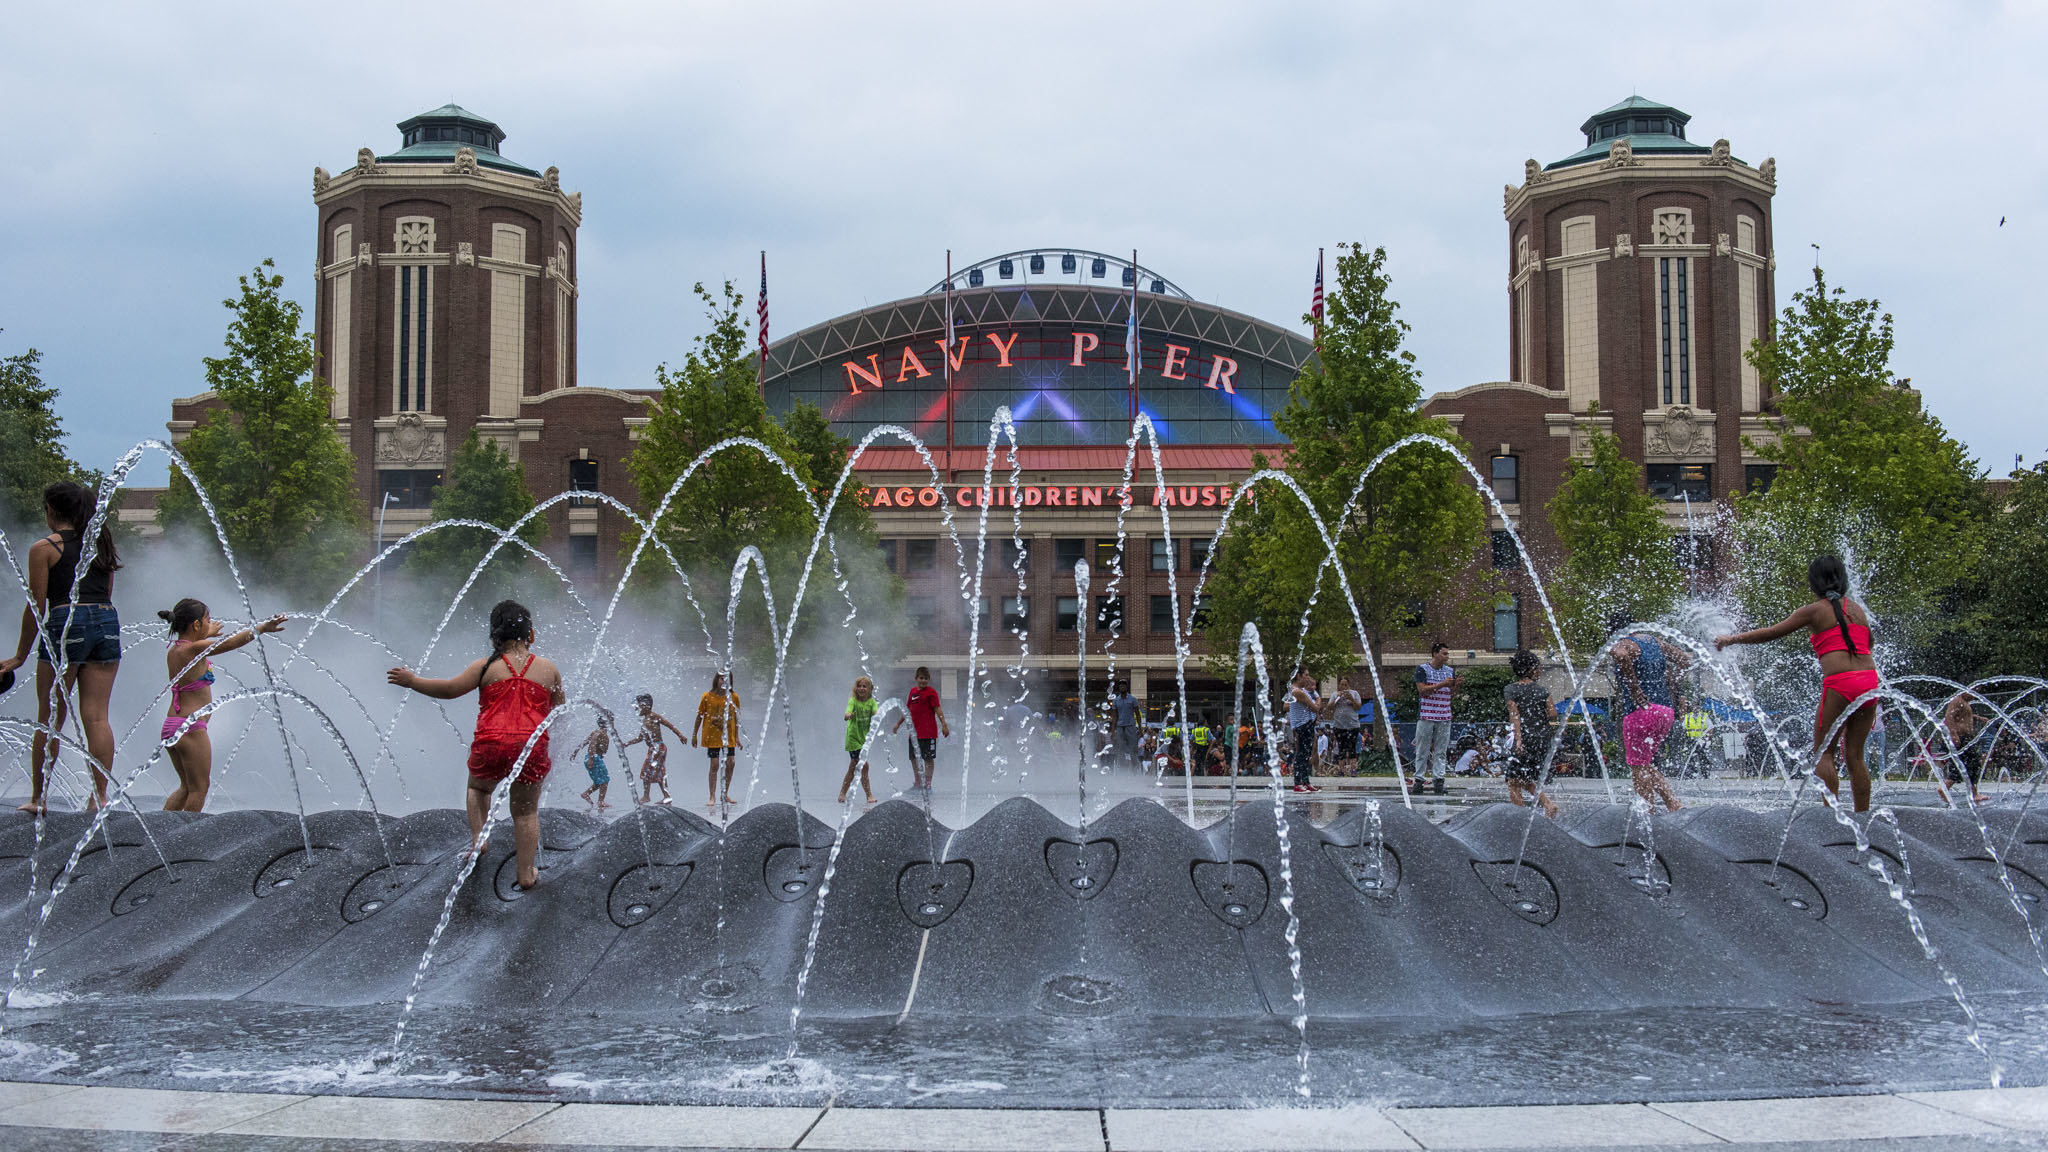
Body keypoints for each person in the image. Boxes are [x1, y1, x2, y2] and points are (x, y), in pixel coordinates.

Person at [387, 600, 563, 890]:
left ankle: (479, 840)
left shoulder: (485, 667)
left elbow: (449, 689)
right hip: (531, 745)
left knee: (478, 789)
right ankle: (526, 873)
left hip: (491, 743)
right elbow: (559, 710)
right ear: (531, 635)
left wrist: (412, 681)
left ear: (495, 637)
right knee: (525, 812)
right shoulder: (548, 669)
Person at [1714, 555, 1884, 813]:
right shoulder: (1857, 610)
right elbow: (1868, 644)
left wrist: (1731, 639)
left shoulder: (1813, 611)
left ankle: (1832, 815)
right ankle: (1863, 816)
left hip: (1840, 683)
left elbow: (1772, 632)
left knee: (1824, 753)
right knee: (1855, 755)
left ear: (1813, 583)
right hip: (1870, 682)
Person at [2, 481, 123, 813]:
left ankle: (38, 799)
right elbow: (105, 595)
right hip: (105, 621)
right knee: (97, 718)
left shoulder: (45, 548)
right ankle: (99, 797)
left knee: (50, 716)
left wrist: (19, 656)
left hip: (65, 620)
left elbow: (36, 605)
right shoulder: (101, 546)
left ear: (51, 510)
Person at [157, 598, 287, 812]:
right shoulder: (194, 650)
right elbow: (230, 643)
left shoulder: (176, 650)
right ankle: (185, 838)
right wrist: (262, 627)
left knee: (186, 787)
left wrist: (205, 635)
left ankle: (161, 830)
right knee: (200, 788)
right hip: (191, 728)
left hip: (172, 724)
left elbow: (197, 647)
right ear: (196, 625)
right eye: (208, 620)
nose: (212, 623)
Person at [1612, 615, 1688, 812]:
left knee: (1638, 767)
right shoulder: (1655, 642)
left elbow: (1620, 655)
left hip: (1641, 712)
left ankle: (1647, 812)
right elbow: (1685, 660)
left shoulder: (1624, 643)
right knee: (1643, 762)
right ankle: (1673, 804)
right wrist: (1672, 683)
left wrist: (1635, 689)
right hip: (1665, 711)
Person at [1502, 649, 1560, 819]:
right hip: (1542, 739)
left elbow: (1515, 716)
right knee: (1522, 778)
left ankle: (1523, 816)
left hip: (1525, 738)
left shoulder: (1511, 690)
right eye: (1538, 667)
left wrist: (1518, 740)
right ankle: (1547, 804)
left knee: (1513, 781)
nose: (1540, 671)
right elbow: (1553, 714)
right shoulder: (1542, 690)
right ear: (1530, 669)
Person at [890, 665, 949, 791]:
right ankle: (918, 782)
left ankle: (927, 783)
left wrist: (944, 725)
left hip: (928, 733)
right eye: (921, 678)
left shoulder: (931, 693)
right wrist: (898, 724)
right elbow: (907, 711)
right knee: (914, 759)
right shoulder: (913, 692)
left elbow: (938, 709)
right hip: (914, 734)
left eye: (926, 678)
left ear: (929, 680)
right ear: (916, 678)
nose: (923, 681)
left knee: (928, 758)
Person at [1412, 643, 1459, 796]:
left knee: (1441, 750)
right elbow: (1422, 690)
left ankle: (1439, 780)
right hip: (1426, 714)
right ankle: (1418, 780)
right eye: (1444, 654)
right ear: (1435, 654)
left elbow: (1451, 694)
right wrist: (1442, 684)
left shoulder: (1450, 671)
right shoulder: (1422, 669)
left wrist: (1456, 685)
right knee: (1422, 749)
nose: (1447, 657)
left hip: (1444, 714)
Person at [692, 671, 743, 810]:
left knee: (731, 762)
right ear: (716, 680)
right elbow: (699, 716)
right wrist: (694, 735)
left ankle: (725, 793)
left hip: (729, 737)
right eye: (722, 679)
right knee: (714, 764)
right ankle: (712, 796)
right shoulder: (707, 697)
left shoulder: (734, 697)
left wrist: (737, 737)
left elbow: (737, 719)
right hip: (712, 736)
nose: (724, 681)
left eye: (727, 679)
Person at [621, 693, 683, 805]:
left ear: (647, 706)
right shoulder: (644, 720)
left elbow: (669, 725)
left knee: (653, 771)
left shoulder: (654, 716)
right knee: (649, 772)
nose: (636, 708)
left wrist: (680, 736)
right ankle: (655, 796)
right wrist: (626, 744)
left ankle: (657, 796)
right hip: (653, 749)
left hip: (659, 747)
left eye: (638, 706)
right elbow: (640, 738)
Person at [1939, 694, 1987, 805]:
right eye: (1973, 692)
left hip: (1965, 737)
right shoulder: (1957, 700)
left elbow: (1963, 716)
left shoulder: (1963, 702)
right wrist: (1953, 734)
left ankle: (1974, 793)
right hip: (1960, 737)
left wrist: (1978, 718)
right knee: (1962, 765)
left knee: (1973, 763)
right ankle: (1944, 788)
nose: (1974, 695)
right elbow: (1949, 717)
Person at [839, 674, 879, 806]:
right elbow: (847, 713)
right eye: (859, 686)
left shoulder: (871, 702)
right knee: (864, 766)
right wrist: (848, 715)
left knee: (853, 768)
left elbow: (876, 712)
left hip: (863, 740)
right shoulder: (853, 701)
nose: (861, 688)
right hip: (853, 738)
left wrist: (878, 715)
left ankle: (842, 793)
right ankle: (869, 795)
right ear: (856, 688)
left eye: (865, 686)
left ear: (870, 689)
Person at [1286, 670, 1322, 793]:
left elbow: (1313, 705)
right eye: (1306, 675)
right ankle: (1298, 783)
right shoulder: (1297, 692)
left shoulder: (1301, 690)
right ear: (1298, 675)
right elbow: (1315, 707)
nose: (1308, 678)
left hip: (1307, 724)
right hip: (1302, 725)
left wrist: (1313, 704)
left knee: (1306, 754)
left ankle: (1305, 782)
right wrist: (1316, 703)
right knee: (1301, 754)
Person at [1328, 676, 1363, 773]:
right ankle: (1341, 770)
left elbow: (1358, 707)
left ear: (1349, 685)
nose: (1344, 687)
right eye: (1342, 685)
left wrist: (1351, 699)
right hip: (1339, 725)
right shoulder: (1335, 694)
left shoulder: (1354, 694)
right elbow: (1329, 707)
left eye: (1345, 685)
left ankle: (1353, 769)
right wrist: (1337, 698)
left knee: (1352, 747)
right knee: (1341, 747)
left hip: (1353, 725)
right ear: (1339, 686)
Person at [576, 724, 612, 810]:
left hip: (594, 758)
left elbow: (585, 742)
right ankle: (600, 802)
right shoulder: (599, 733)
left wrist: (575, 751)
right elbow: (592, 744)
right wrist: (591, 759)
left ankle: (586, 794)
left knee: (599, 782)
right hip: (594, 758)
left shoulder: (596, 732)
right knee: (605, 781)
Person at [1110, 680, 1142, 769]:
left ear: (1126, 687)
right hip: (1120, 727)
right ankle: (1121, 769)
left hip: (1130, 726)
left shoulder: (1133, 699)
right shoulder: (1116, 701)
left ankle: (1135, 769)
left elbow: (1138, 714)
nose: (1122, 687)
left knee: (1133, 749)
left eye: (1124, 686)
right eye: (1120, 686)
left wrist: (1140, 728)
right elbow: (1114, 716)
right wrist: (1113, 731)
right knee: (1120, 748)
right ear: (1119, 688)